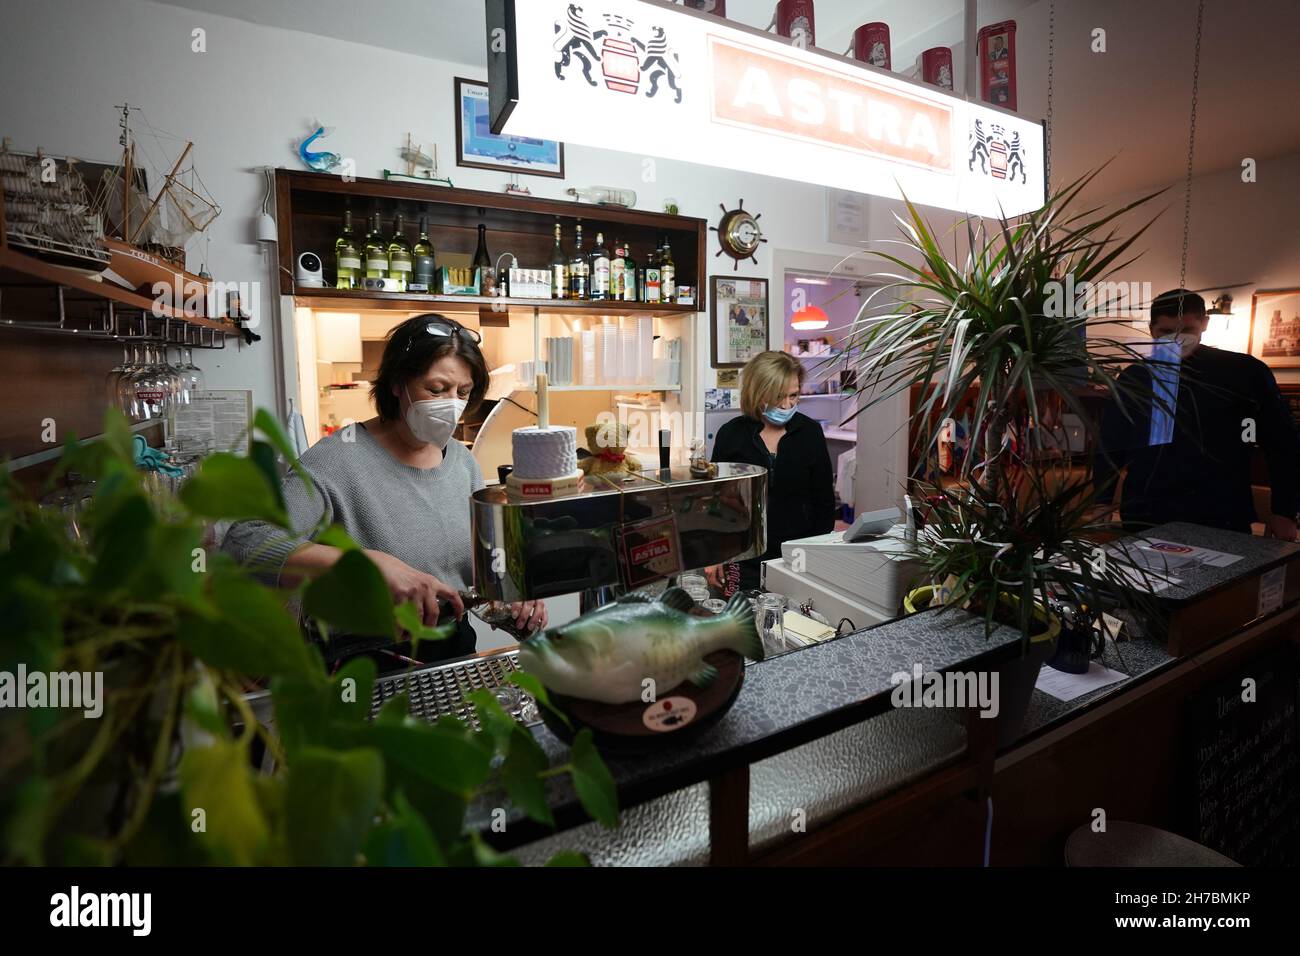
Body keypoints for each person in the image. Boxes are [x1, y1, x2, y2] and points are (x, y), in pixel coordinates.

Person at [224, 314, 547, 664]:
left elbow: (475, 573)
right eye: (436, 390)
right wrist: (366, 563)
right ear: (397, 383)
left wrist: (512, 596)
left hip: (450, 647)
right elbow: (246, 542)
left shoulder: (462, 463)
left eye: (463, 393)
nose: (450, 404)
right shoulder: (337, 459)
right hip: (363, 657)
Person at [1093, 289, 1300, 539]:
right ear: (1151, 329)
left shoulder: (1245, 372)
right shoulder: (1135, 377)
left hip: (1221, 513)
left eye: (1187, 331)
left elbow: (1282, 444)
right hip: (1145, 513)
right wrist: (1101, 501)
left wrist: (1285, 512)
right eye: (1166, 333)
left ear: (1204, 324)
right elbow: (1110, 444)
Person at [706, 350, 837, 591]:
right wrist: (715, 554)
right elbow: (718, 502)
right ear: (758, 392)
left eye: (794, 395)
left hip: (797, 555)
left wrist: (816, 552)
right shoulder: (731, 435)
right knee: (742, 620)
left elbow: (824, 503)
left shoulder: (810, 434)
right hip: (741, 557)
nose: (787, 405)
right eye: (778, 397)